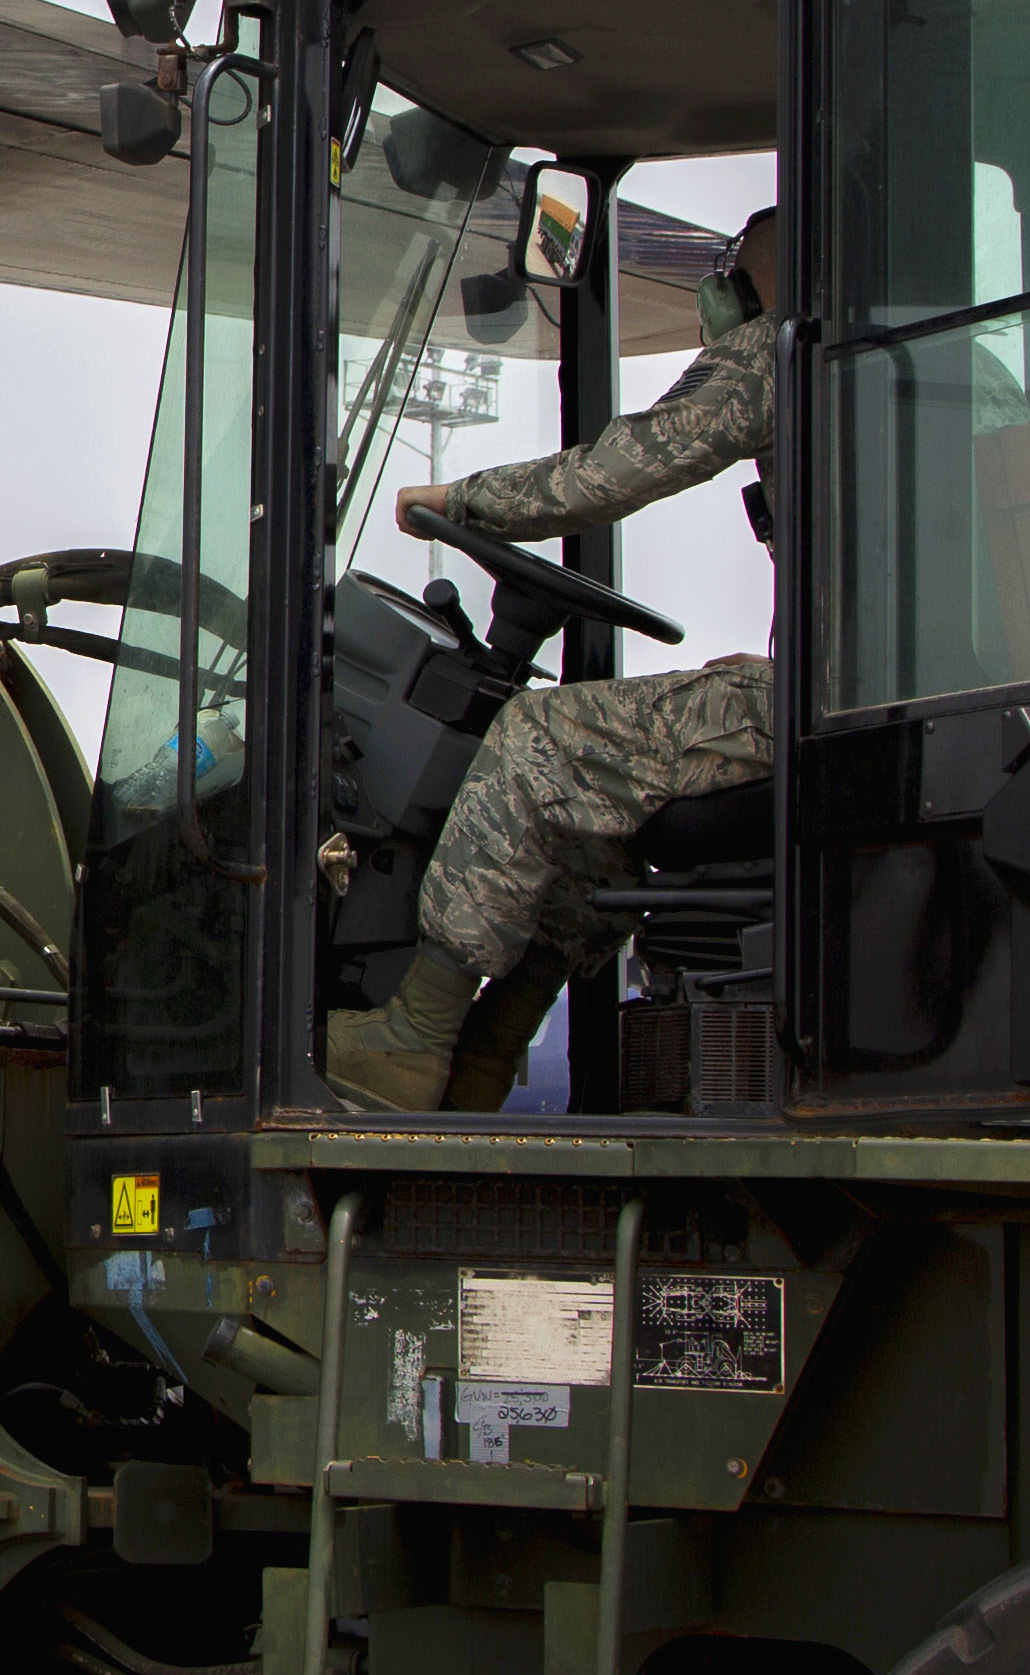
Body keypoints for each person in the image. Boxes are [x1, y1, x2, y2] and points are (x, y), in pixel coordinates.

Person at [326, 208, 786, 1111]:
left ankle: (414, 1039)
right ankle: (489, 1050)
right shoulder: (929, 361)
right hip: (855, 697)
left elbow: (610, 473)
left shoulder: (782, 350)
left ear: (748, 286)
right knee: (593, 796)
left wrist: (462, 502)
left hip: (813, 703)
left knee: (536, 736)